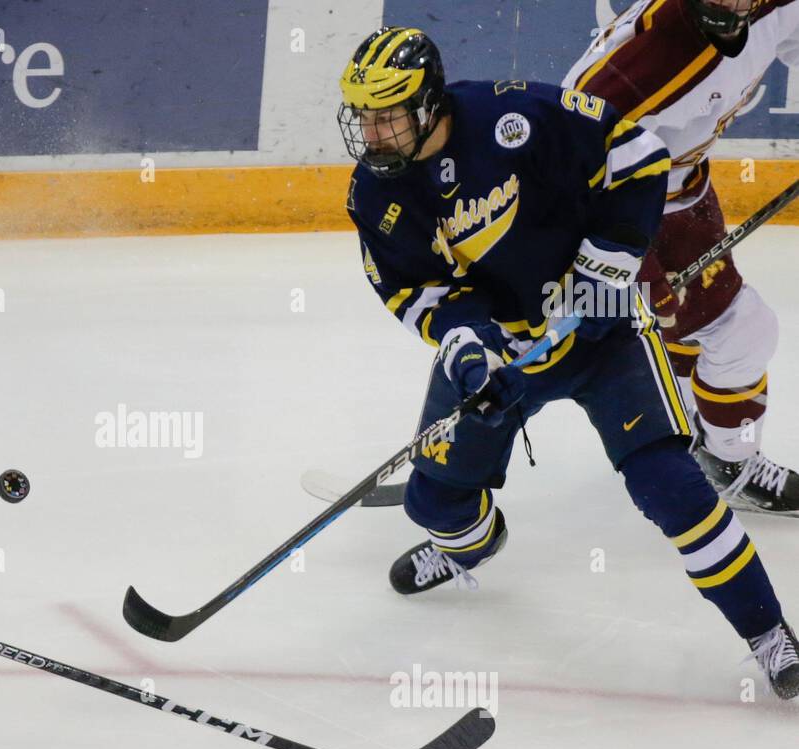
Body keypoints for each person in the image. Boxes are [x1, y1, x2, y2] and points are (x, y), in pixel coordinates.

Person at [337, 26, 798, 696]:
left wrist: (605, 267)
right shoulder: (375, 196)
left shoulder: (512, 118)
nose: (373, 135)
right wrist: (469, 348)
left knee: (672, 487)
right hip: (503, 352)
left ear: (430, 104)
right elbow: (412, 288)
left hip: (601, 336)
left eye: (388, 118)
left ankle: (768, 634)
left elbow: (636, 152)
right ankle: (471, 546)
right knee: (433, 504)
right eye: (364, 120)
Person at [566, 0, 799, 514]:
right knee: (743, 330)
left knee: (704, 328)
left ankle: (695, 432)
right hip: (619, 206)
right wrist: (633, 265)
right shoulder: (650, 61)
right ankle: (729, 467)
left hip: (683, 185)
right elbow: (568, 168)